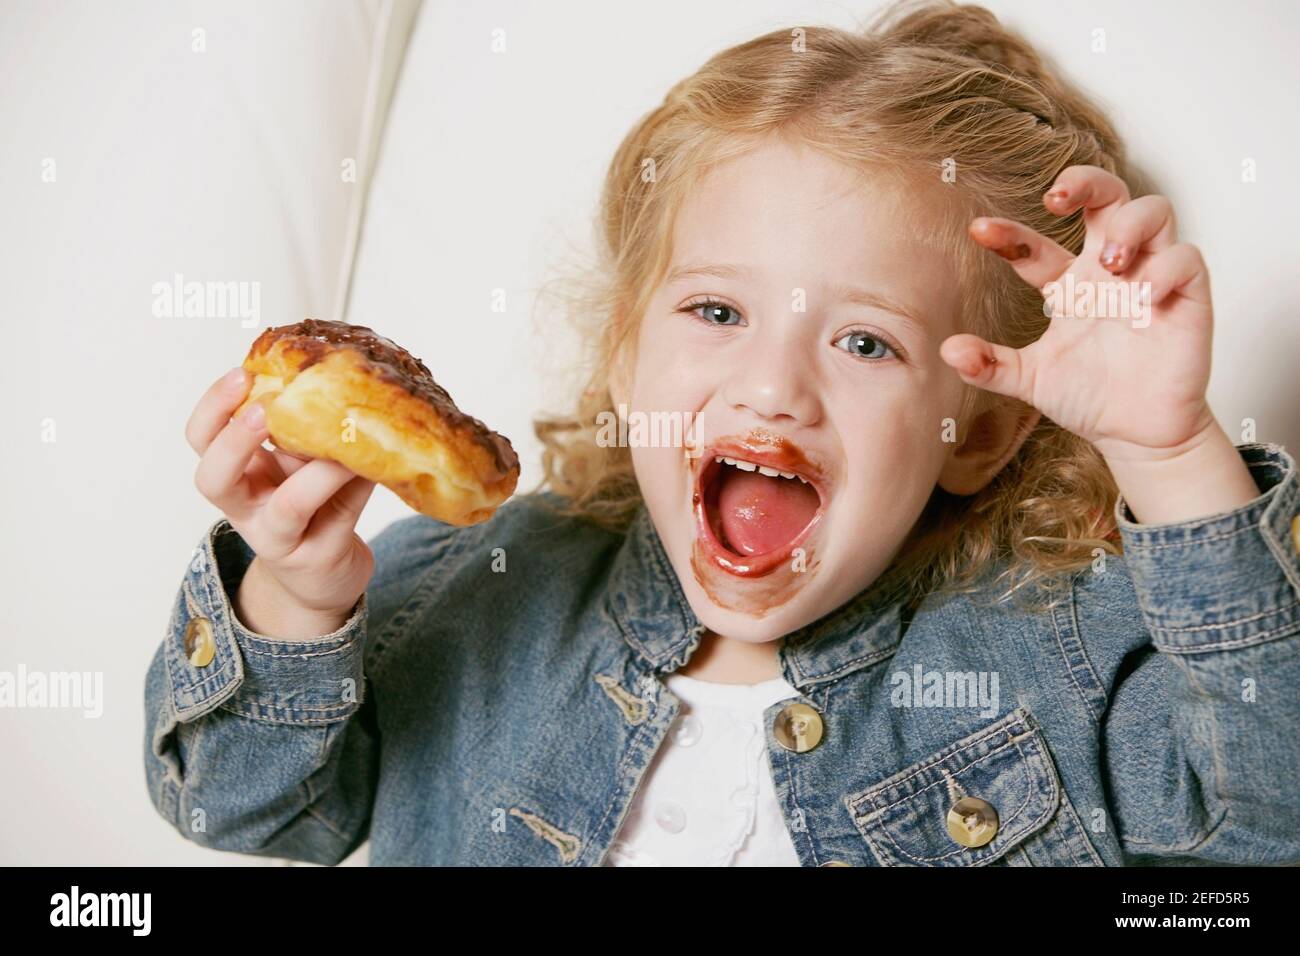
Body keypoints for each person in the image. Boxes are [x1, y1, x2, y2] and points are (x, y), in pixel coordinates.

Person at [144, 0, 1300, 866]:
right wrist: (296, 597)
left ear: (979, 431)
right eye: (715, 311)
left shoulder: (1055, 652)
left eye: (864, 342)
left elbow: (1267, 824)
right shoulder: (470, 593)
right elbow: (245, 807)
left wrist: (1166, 448)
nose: (772, 387)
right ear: (625, 353)